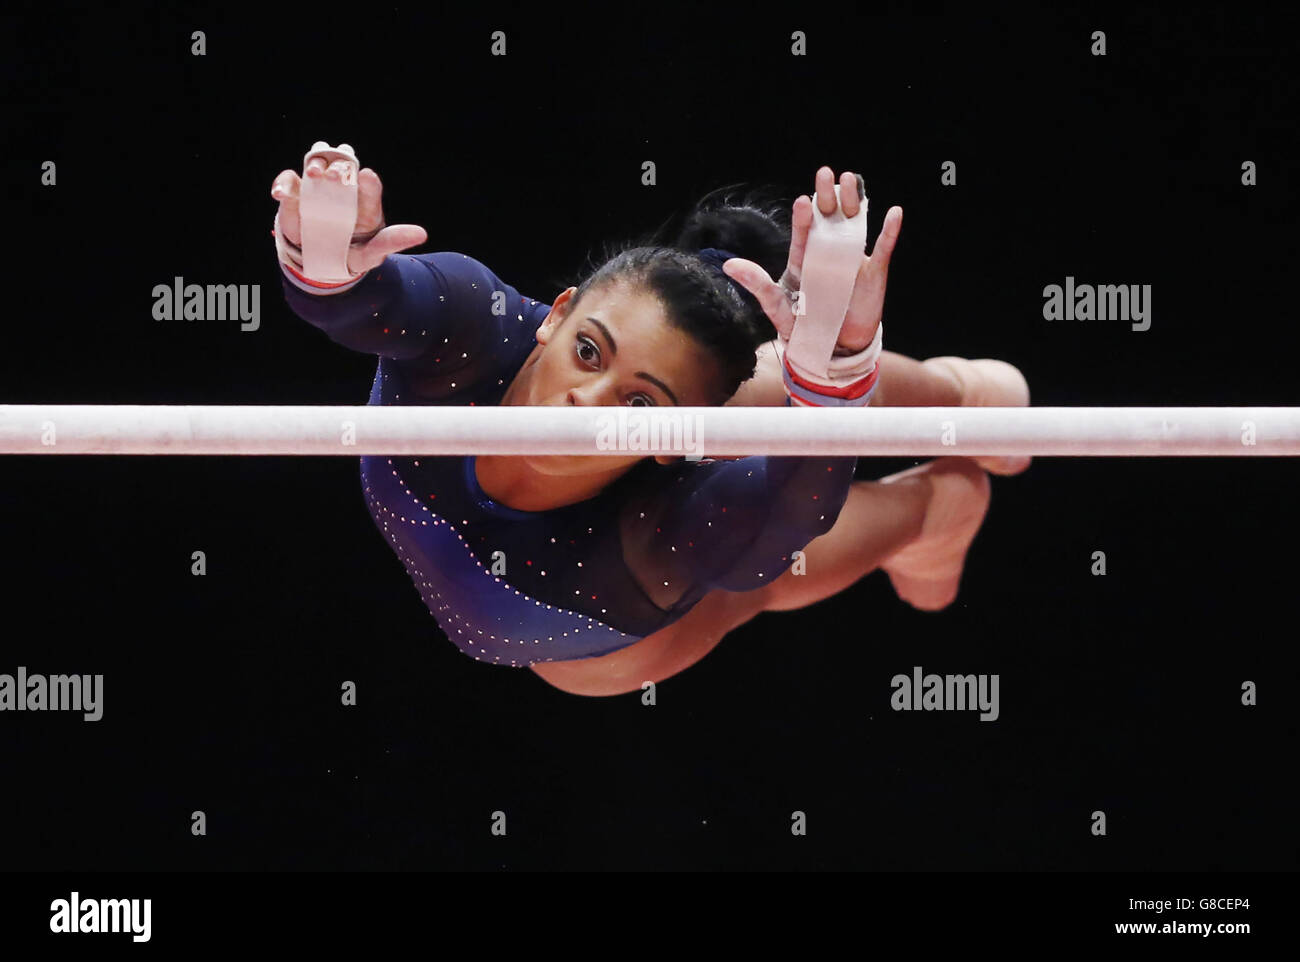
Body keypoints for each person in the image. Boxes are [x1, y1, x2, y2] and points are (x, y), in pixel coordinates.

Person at [270, 142, 1030, 697]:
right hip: (596, 650)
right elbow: (368, 303)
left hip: (636, 515)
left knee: (779, 401)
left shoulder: (655, 533)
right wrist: (326, 264)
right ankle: (941, 507)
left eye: (638, 404)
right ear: (556, 315)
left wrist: (835, 376)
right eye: (588, 352)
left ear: (683, 442)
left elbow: (800, 494)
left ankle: (951, 391)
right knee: (758, 563)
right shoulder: (473, 333)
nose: (587, 404)